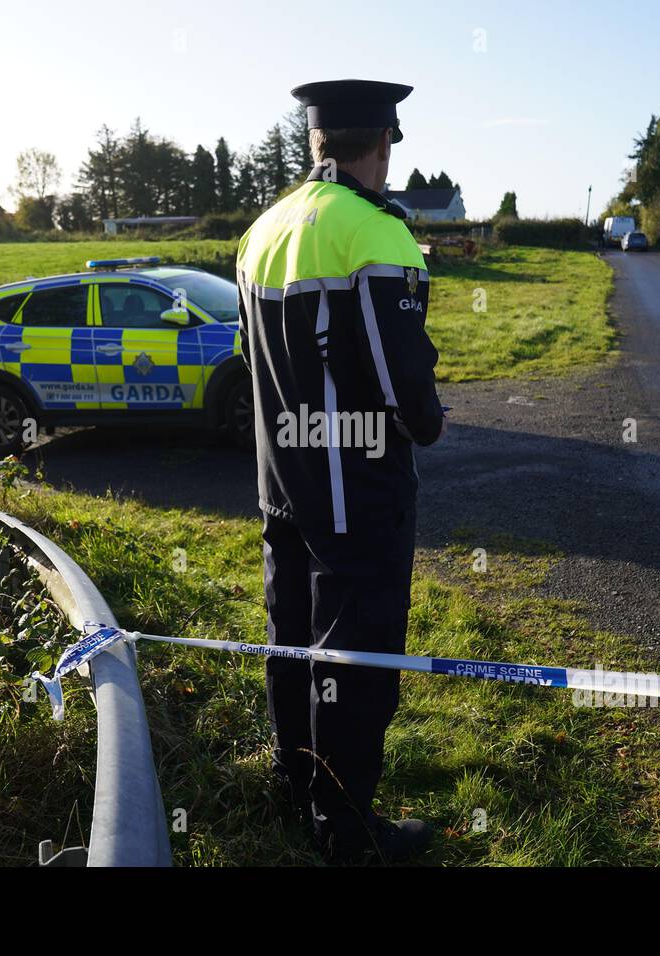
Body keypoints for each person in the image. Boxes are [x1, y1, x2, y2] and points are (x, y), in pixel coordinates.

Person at [235, 78, 447, 863]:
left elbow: (252, 365)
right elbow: (402, 383)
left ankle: (300, 792)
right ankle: (349, 834)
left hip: (279, 483)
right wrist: (428, 421)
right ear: (383, 144)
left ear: (316, 141)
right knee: (357, 661)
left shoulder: (263, 230)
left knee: (291, 641)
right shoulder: (377, 234)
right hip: (356, 491)